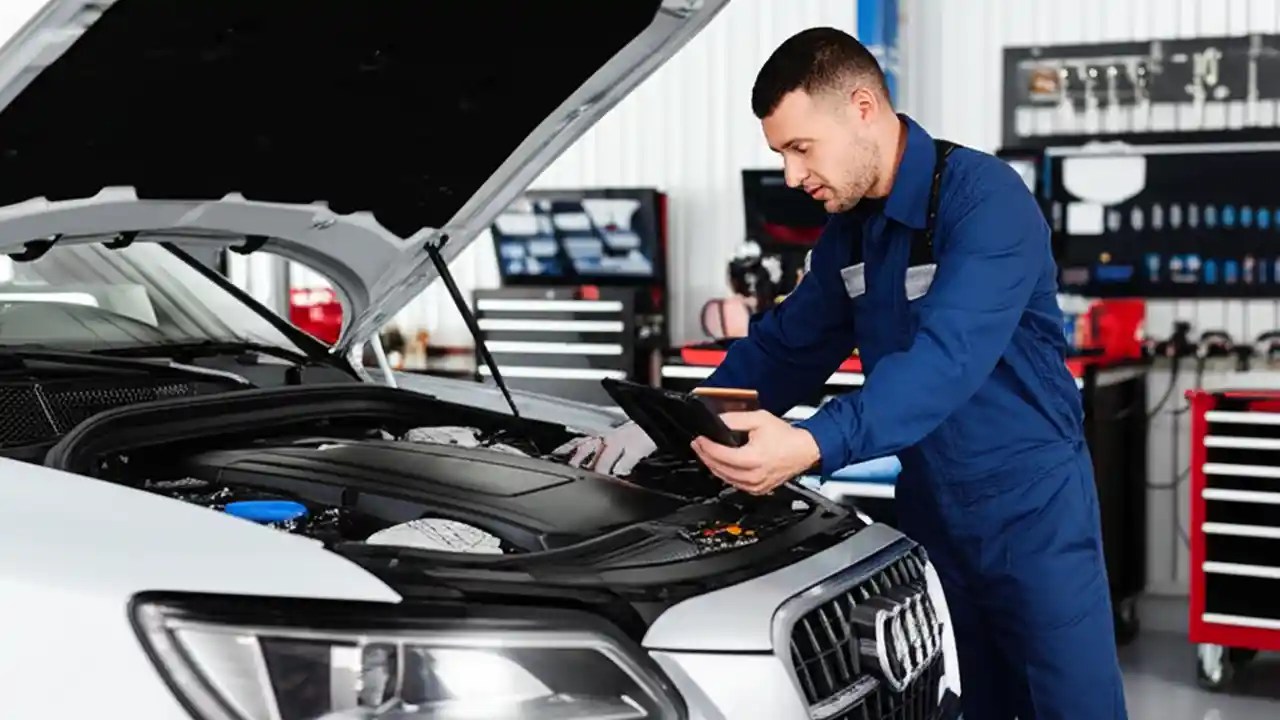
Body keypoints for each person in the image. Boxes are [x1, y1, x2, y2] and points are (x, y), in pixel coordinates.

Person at [561, 27, 1128, 720]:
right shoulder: (853, 230)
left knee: (1071, 707)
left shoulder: (985, 202)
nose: (794, 176)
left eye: (801, 148)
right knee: (952, 705)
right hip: (932, 513)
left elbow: (944, 364)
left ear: (862, 108)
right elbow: (787, 347)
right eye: (781, 154)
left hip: (1030, 516)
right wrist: (668, 421)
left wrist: (811, 443)